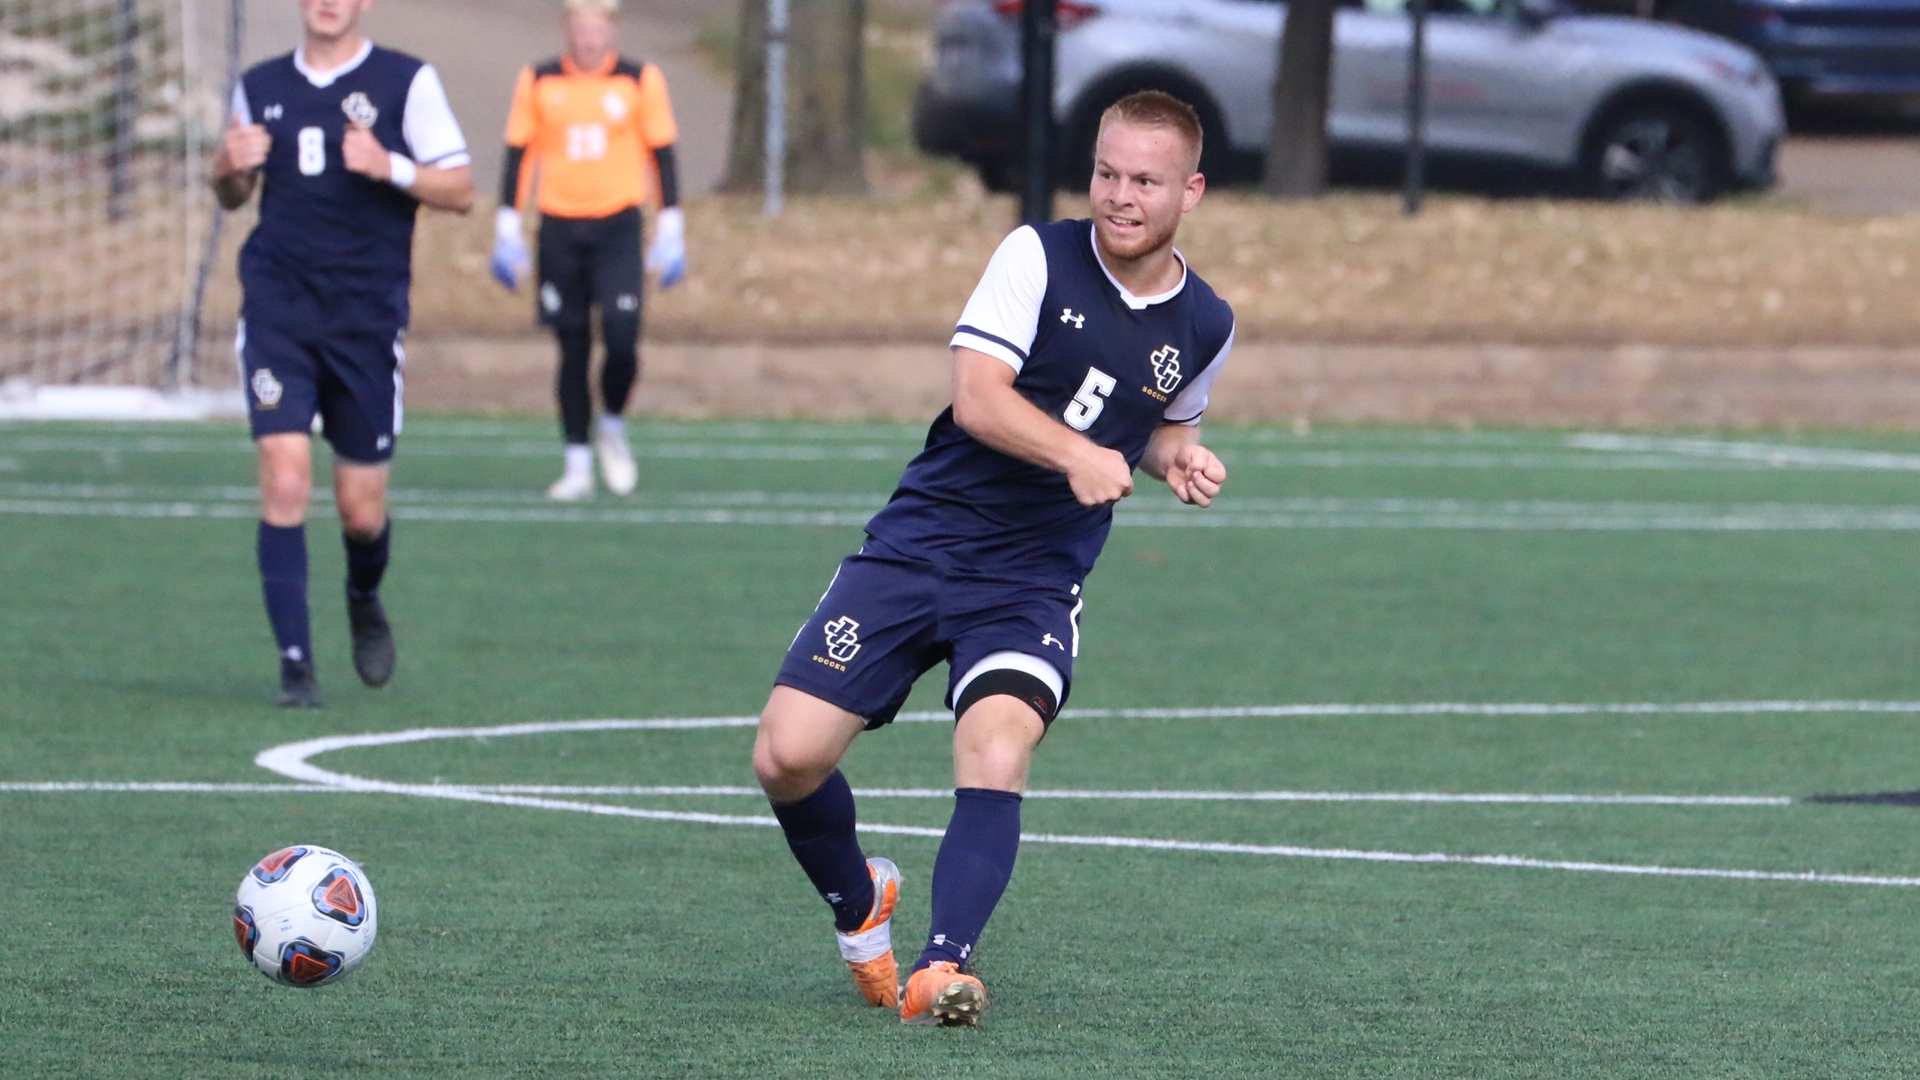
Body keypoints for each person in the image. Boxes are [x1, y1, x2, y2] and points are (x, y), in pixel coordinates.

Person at [750, 91, 1234, 1027]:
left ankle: (944, 965)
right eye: (1106, 173)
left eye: (1145, 181)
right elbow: (978, 398)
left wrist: (1180, 458)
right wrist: (1078, 456)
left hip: (1031, 578)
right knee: (786, 756)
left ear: (1191, 191)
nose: (1120, 196)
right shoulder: (1036, 257)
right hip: (920, 544)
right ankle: (861, 903)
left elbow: (1162, 425)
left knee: (997, 745)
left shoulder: (1205, 321)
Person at [213, 0, 475, 707]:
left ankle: (363, 596)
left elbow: (460, 190)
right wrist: (227, 167)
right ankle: (295, 667)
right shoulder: (260, 84)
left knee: (360, 511)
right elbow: (234, 193)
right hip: (278, 316)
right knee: (285, 478)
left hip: (364, 324)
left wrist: (389, 164)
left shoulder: (405, 81)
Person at [490, 0, 686, 501]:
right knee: (572, 346)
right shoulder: (539, 79)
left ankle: (613, 420)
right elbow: (520, 151)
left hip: (617, 226)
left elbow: (661, 151)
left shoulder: (638, 79)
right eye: (581, 26)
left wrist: (671, 221)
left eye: (598, 26)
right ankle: (577, 463)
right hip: (559, 227)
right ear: (567, 29)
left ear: (611, 30)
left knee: (622, 335)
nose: (589, 36)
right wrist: (508, 222)